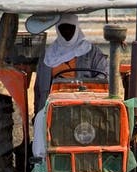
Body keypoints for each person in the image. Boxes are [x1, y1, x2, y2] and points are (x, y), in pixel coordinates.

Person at [32, 13, 108, 162]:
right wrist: (37, 110)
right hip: (53, 104)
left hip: (85, 103)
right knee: (41, 119)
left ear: (76, 28)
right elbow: (38, 87)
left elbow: (104, 77)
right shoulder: (48, 55)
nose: (66, 32)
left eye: (70, 29)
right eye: (62, 29)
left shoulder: (92, 52)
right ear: (57, 30)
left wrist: (85, 89)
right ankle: (41, 163)